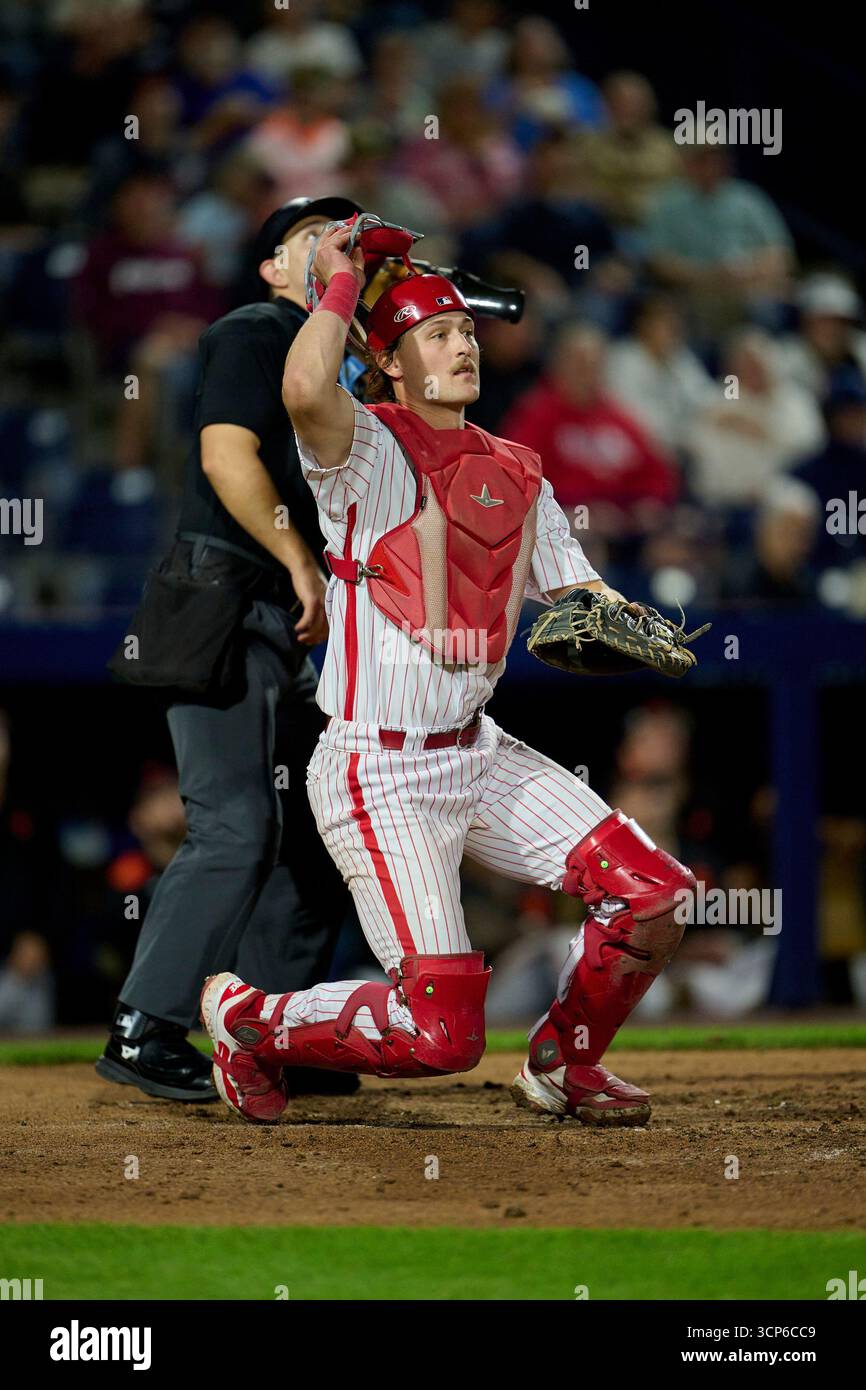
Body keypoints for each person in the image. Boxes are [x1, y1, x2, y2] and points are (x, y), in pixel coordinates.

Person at [199, 220, 696, 1128]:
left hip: (478, 751)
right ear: (390, 363)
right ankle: (248, 1019)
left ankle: (563, 1064)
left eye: (465, 331)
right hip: (376, 771)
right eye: (437, 335)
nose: (463, 344)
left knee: (656, 895)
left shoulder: (516, 469)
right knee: (441, 1038)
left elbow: (577, 589)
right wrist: (341, 282)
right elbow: (306, 384)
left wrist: (627, 619)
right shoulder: (362, 452)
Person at [97, 195, 364, 1103]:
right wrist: (298, 557)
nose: (337, 249)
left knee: (313, 842)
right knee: (237, 827)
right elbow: (223, 454)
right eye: (315, 239)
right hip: (224, 598)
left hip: (277, 617)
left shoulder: (341, 373)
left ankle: (273, 1037)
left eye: (351, 238)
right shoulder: (256, 328)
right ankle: (144, 1027)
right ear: (272, 267)